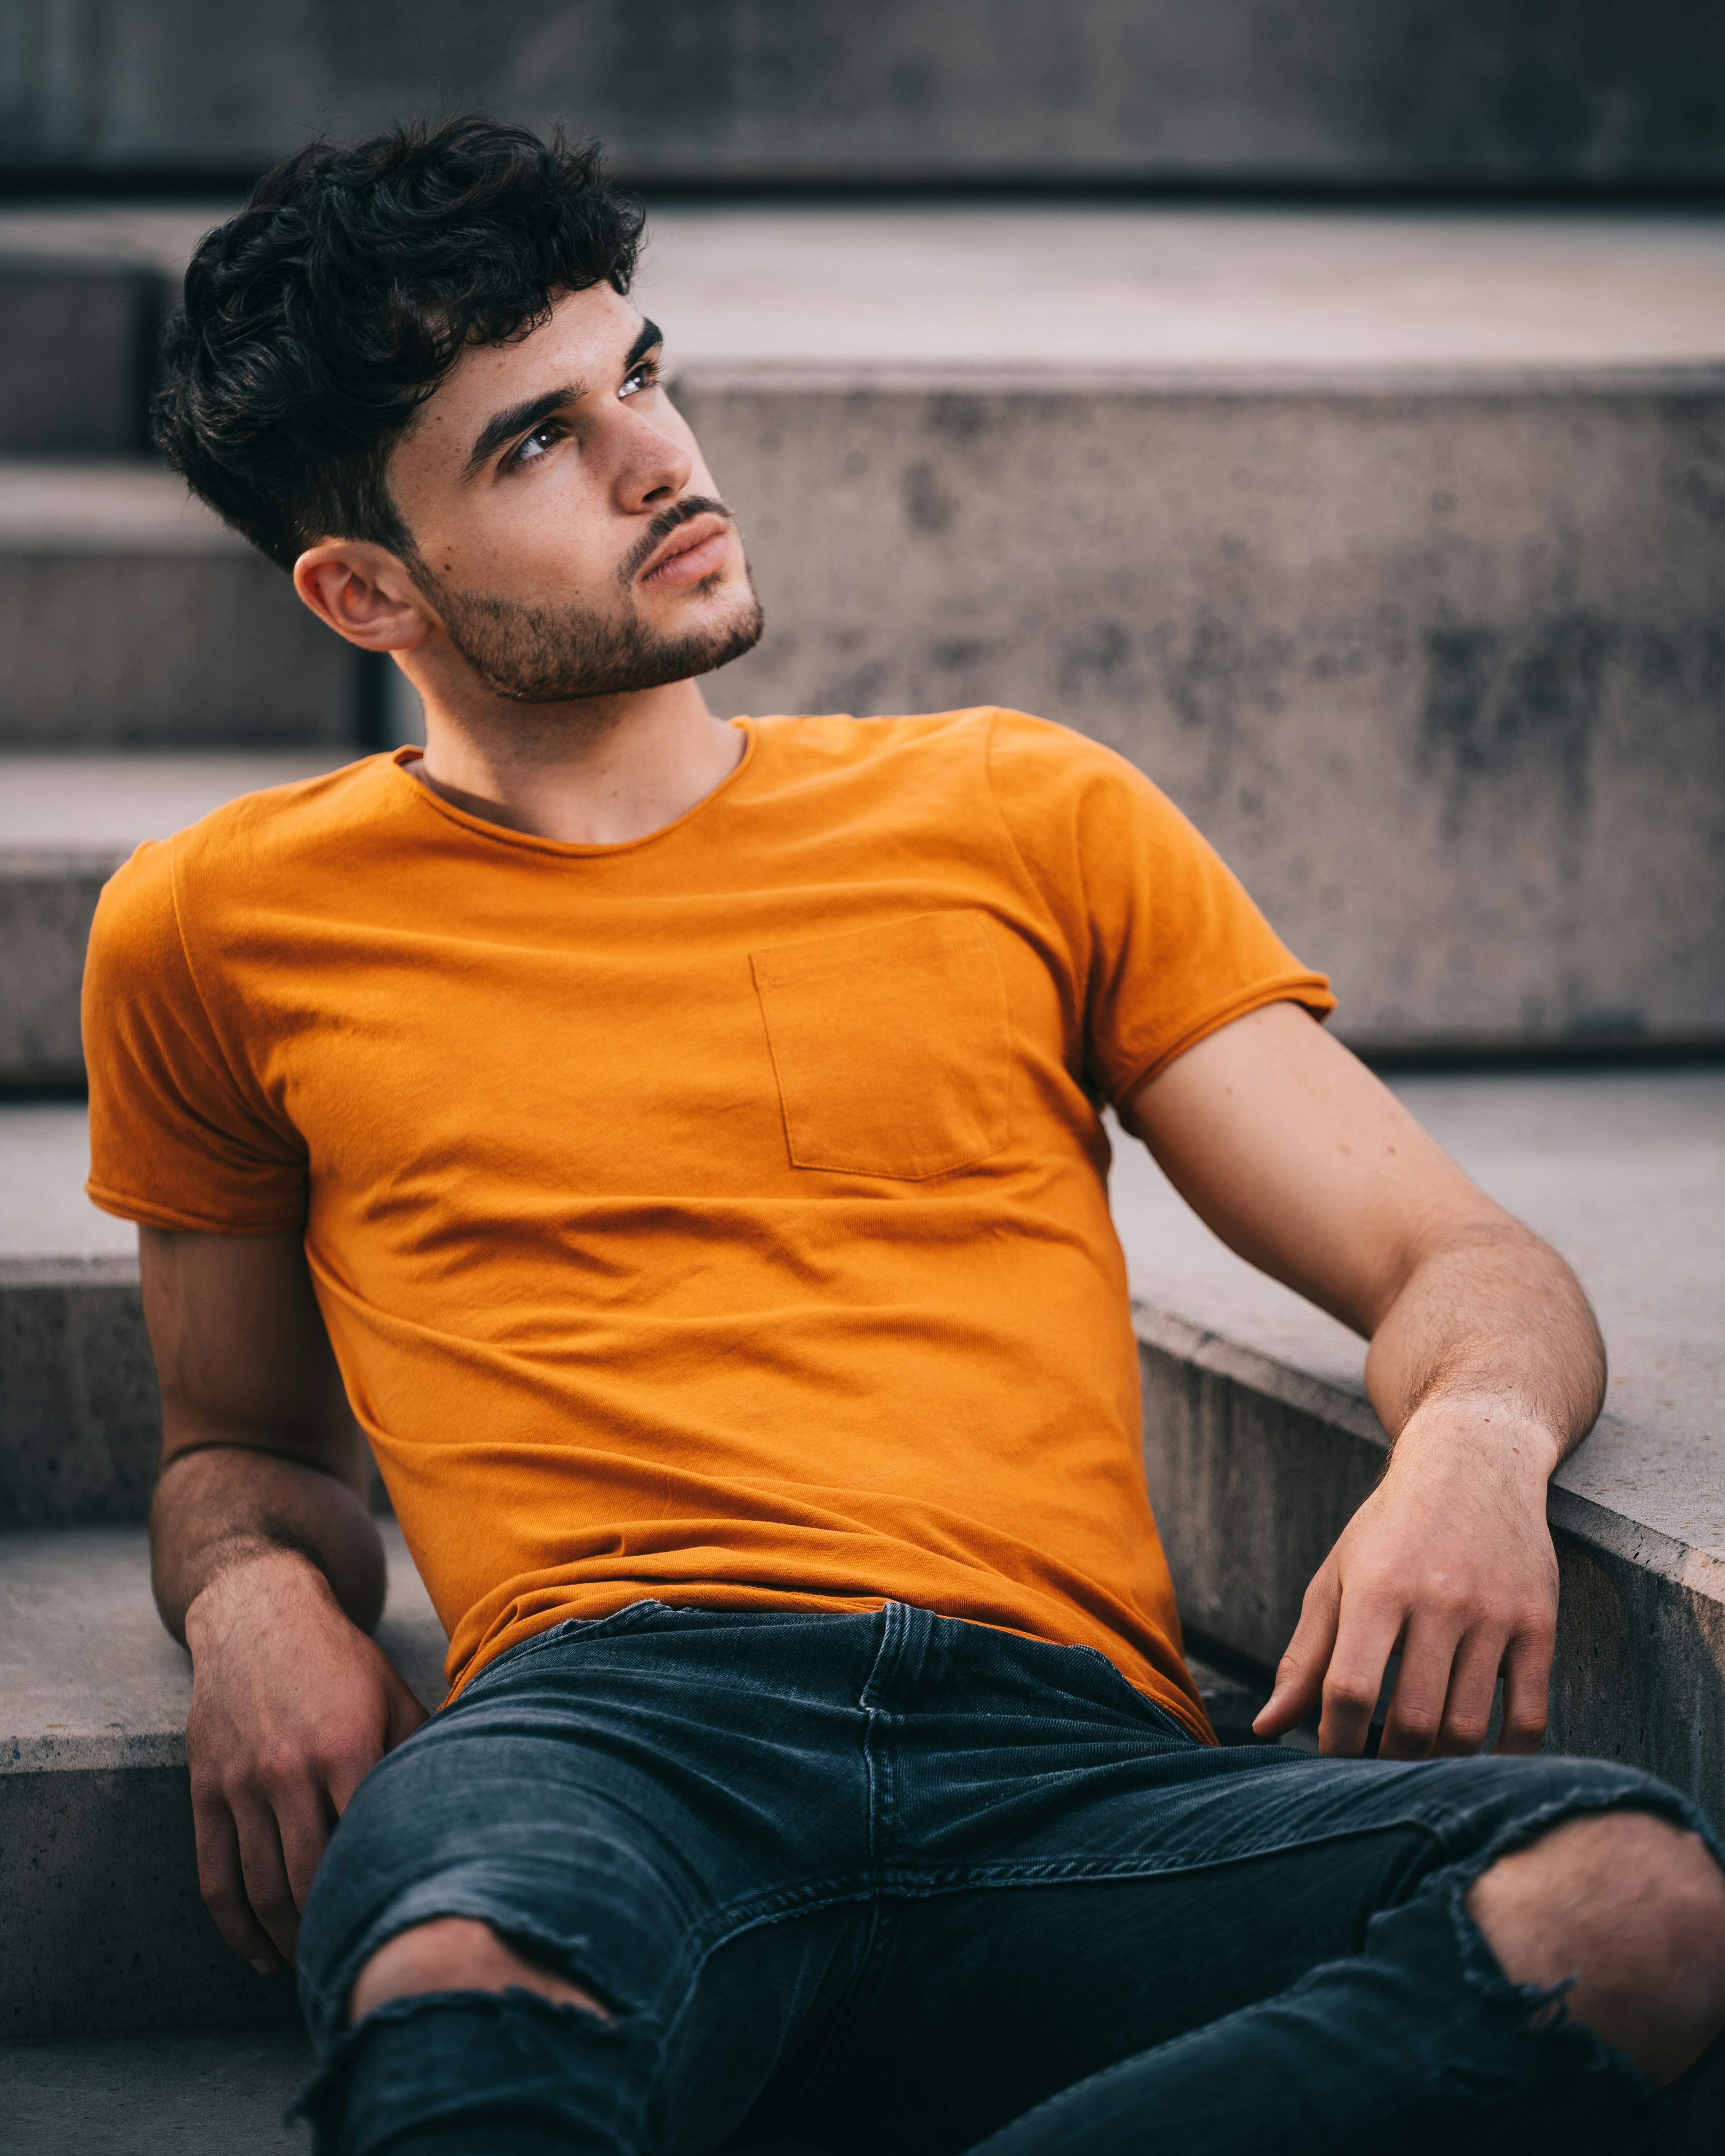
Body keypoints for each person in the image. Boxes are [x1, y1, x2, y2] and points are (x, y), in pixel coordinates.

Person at [82, 116, 1725, 2155]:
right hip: (605, 1745)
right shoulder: (213, 923)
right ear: (358, 586)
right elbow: (239, 1449)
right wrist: (256, 1606)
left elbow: (1459, 1268)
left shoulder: (1017, 812)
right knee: (460, 1991)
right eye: (533, 443)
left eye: (644, 372)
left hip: (1078, 1770)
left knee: (1627, 1900)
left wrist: (1469, 1458)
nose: (657, 460)